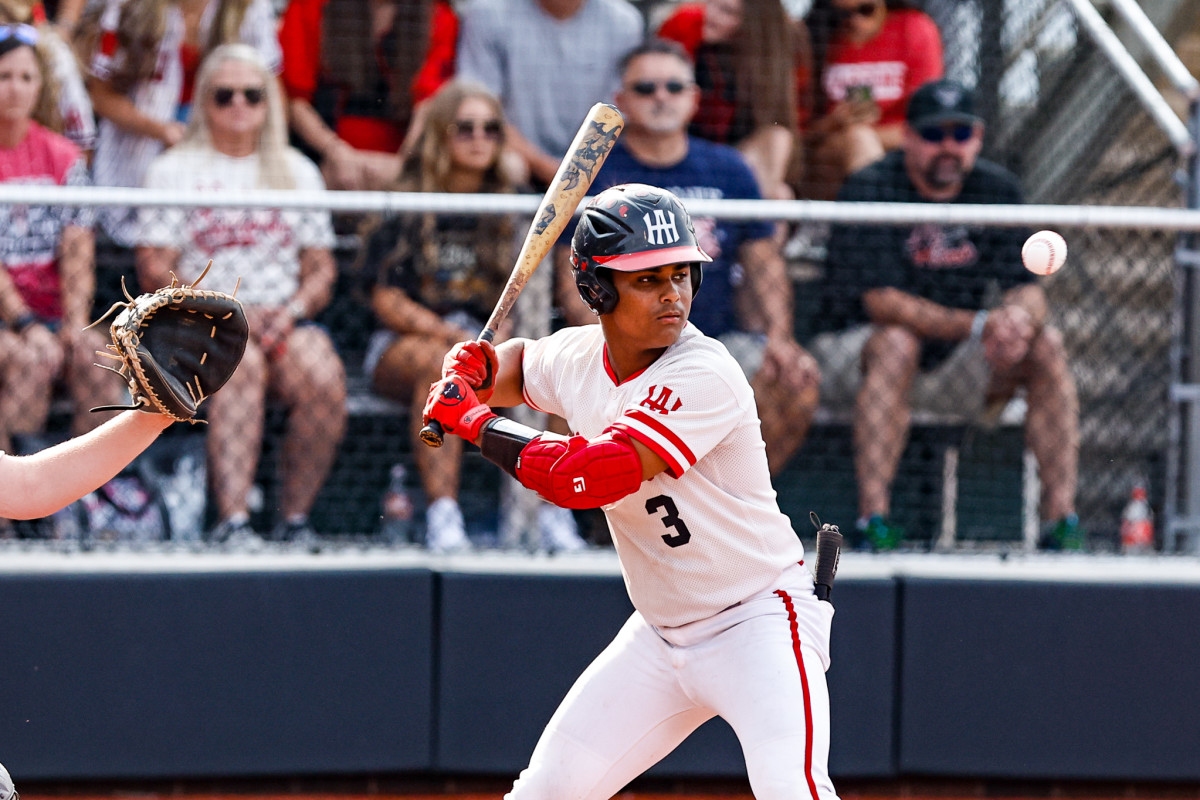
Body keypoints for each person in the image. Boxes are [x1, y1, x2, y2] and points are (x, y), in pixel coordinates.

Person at [424, 183, 838, 799]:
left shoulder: (705, 371)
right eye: (647, 279)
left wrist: (476, 422)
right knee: (543, 794)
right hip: (659, 635)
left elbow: (584, 478)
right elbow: (519, 362)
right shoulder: (580, 357)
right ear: (596, 288)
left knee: (793, 791)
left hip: (758, 622)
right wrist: (477, 372)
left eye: (681, 274)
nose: (673, 294)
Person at [812, 78, 1081, 550]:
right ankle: (872, 520)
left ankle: (1062, 522)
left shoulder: (996, 188)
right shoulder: (872, 185)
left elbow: (1028, 289)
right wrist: (982, 324)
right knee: (898, 340)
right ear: (910, 137)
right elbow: (881, 302)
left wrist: (1017, 320)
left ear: (977, 138)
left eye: (962, 135)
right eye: (934, 135)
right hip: (851, 354)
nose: (949, 147)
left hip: (959, 358)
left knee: (1047, 344)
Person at [557, 38, 820, 476]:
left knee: (797, 383)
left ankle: (728, 500)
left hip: (714, 340)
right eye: (646, 89)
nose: (661, 97)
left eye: (674, 87)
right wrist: (605, 343)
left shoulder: (728, 169)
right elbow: (571, 274)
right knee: (574, 379)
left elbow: (763, 262)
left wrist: (779, 337)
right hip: (626, 340)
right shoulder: (598, 172)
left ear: (694, 99)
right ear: (620, 101)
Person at [136, 44, 347, 546]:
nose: (238, 105)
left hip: (282, 318)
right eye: (222, 95)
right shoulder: (173, 169)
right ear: (203, 102)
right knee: (241, 365)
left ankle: (294, 520)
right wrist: (224, 311)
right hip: (197, 322)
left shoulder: (298, 171)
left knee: (323, 377)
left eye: (252, 95)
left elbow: (321, 269)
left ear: (268, 103)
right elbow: (153, 267)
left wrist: (291, 312)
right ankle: (233, 521)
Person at [0, 22, 125, 458]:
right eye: (4, 76)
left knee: (97, 353)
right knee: (29, 361)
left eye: (26, 77)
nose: (15, 89)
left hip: (51, 314)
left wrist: (73, 324)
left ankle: (86, 501)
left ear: (40, 87)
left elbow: (77, 250)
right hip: (10, 320)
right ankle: (17, 510)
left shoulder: (62, 157)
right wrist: (25, 324)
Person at [77, 0, 281, 243]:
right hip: (133, 163)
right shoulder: (126, 6)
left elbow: (270, 90)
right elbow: (101, 96)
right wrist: (161, 131)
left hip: (220, 167)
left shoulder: (249, 7)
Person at [455, 0, 641, 188]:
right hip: (514, 162)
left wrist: (576, 172)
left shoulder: (624, 21)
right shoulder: (487, 12)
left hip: (597, 166)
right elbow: (483, 108)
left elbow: (620, 112)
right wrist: (554, 172)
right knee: (507, 163)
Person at [656, 0, 814, 200]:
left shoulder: (777, 50)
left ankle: (741, 227)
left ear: (753, 22)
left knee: (778, 151)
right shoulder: (686, 25)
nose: (710, 15)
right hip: (680, 153)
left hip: (735, 161)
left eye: (727, 11)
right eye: (711, 3)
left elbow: (798, 119)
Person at [279, 0, 442, 191]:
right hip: (323, 160)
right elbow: (295, 99)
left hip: (406, 164)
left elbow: (430, 100)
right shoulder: (310, 7)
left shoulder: (437, 15)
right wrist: (337, 153)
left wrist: (404, 162)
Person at [802, 0, 943, 200]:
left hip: (900, 151)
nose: (855, 20)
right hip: (831, 154)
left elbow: (928, 121)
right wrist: (836, 122)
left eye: (865, 10)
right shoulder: (819, 35)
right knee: (858, 138)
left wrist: (870, 133)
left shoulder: (914, 28)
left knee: (862, 138)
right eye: (842, 14)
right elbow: (804, 135)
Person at [0, 0, 95, 155]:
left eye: (26, 77)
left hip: (47, 162)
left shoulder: (54, 53)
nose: (15, 88)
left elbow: (82, 143)